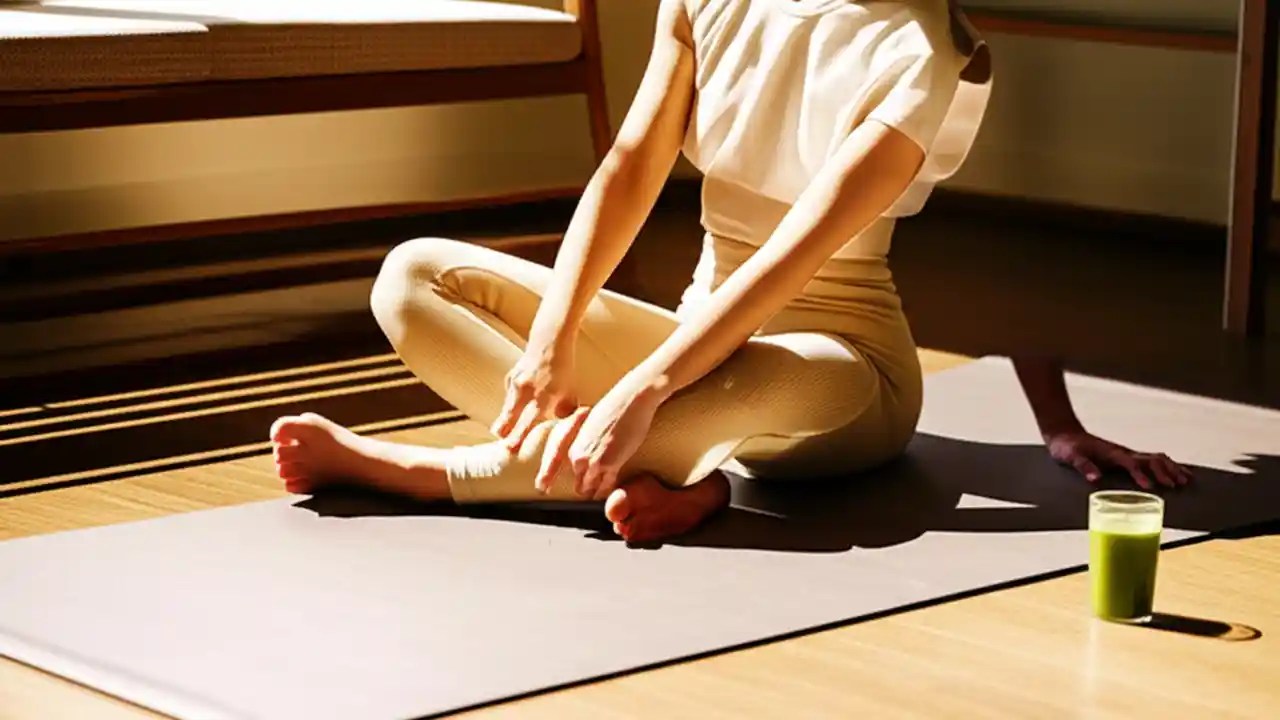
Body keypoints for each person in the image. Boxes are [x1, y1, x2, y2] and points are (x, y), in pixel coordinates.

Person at [269, 0, 1191, 543]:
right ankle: (696, 477)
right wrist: (551, 344)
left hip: (839, 371)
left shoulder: (927, 48)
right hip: (696, 334)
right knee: (413, 278)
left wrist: (644, 384)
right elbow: (631, 161)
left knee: (719, 393)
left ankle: (425, 475)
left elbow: (799, 251)